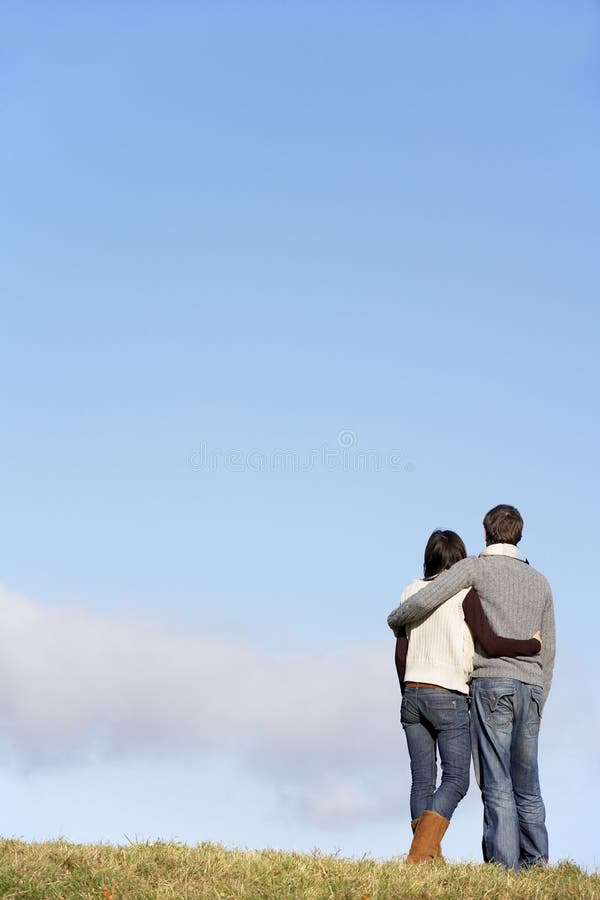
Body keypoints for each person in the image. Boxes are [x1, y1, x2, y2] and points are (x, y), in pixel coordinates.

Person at [388, 505, 556, 871]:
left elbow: (425, 603)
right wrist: (542, 688)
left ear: (485, 533)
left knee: (490, 781)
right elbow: (545, 646)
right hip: (524, 688)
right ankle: (536, 863)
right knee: (527, 783)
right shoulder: (540, 581)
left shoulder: (472, 571)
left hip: (483, 684)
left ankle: (500, 866)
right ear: (520, 535)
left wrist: (395, 619)